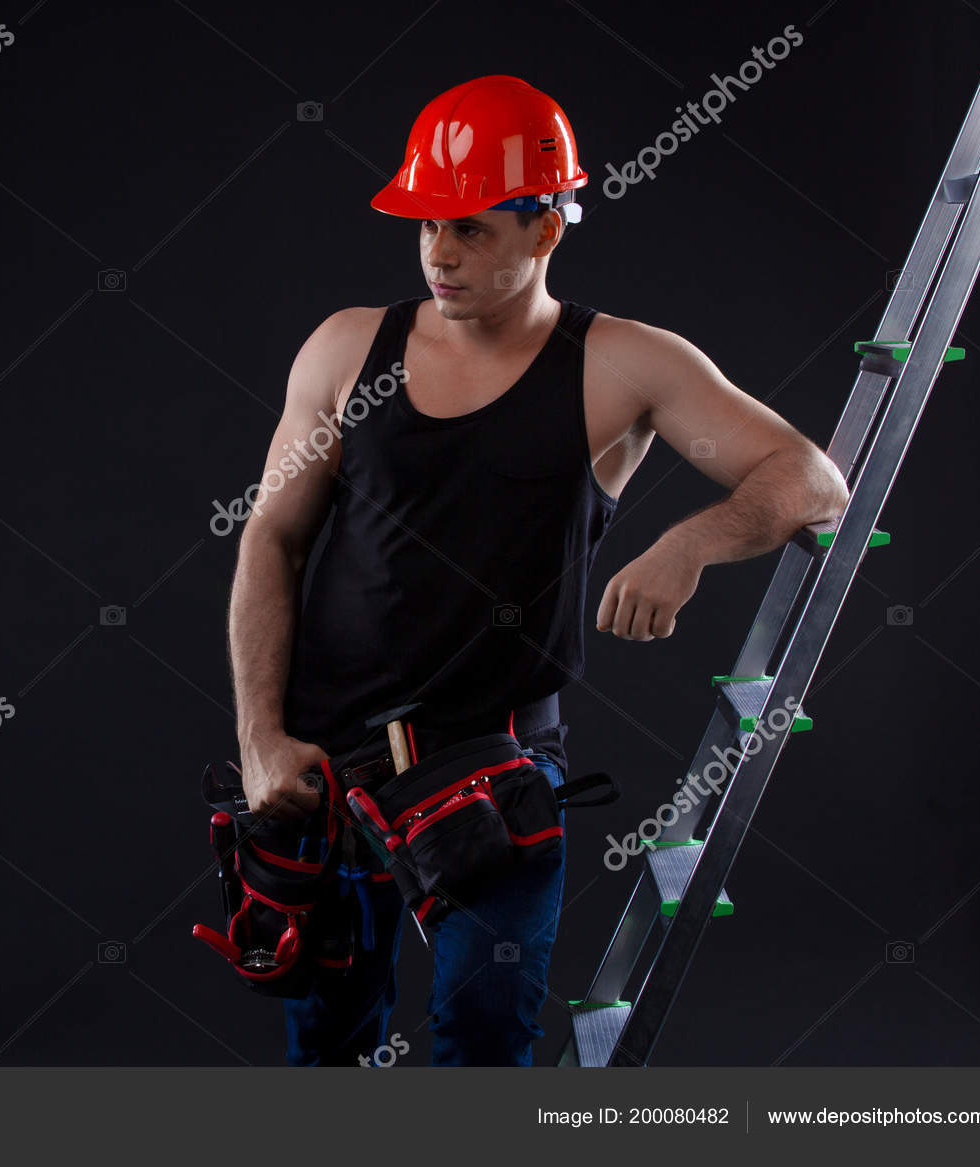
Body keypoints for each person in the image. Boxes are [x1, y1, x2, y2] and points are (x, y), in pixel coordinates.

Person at [225, 75, 849, 1066]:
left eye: (471, 229)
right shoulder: (347, 348)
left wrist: (685, 545)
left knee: (483, 1042)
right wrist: (260, 738)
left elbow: (811, 479)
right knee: (328, 1050)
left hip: (488, 772)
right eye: (426, 225)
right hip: (326, 766)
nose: (440, 253)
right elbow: (271, 537)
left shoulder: (620, 365)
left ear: (545, 230)